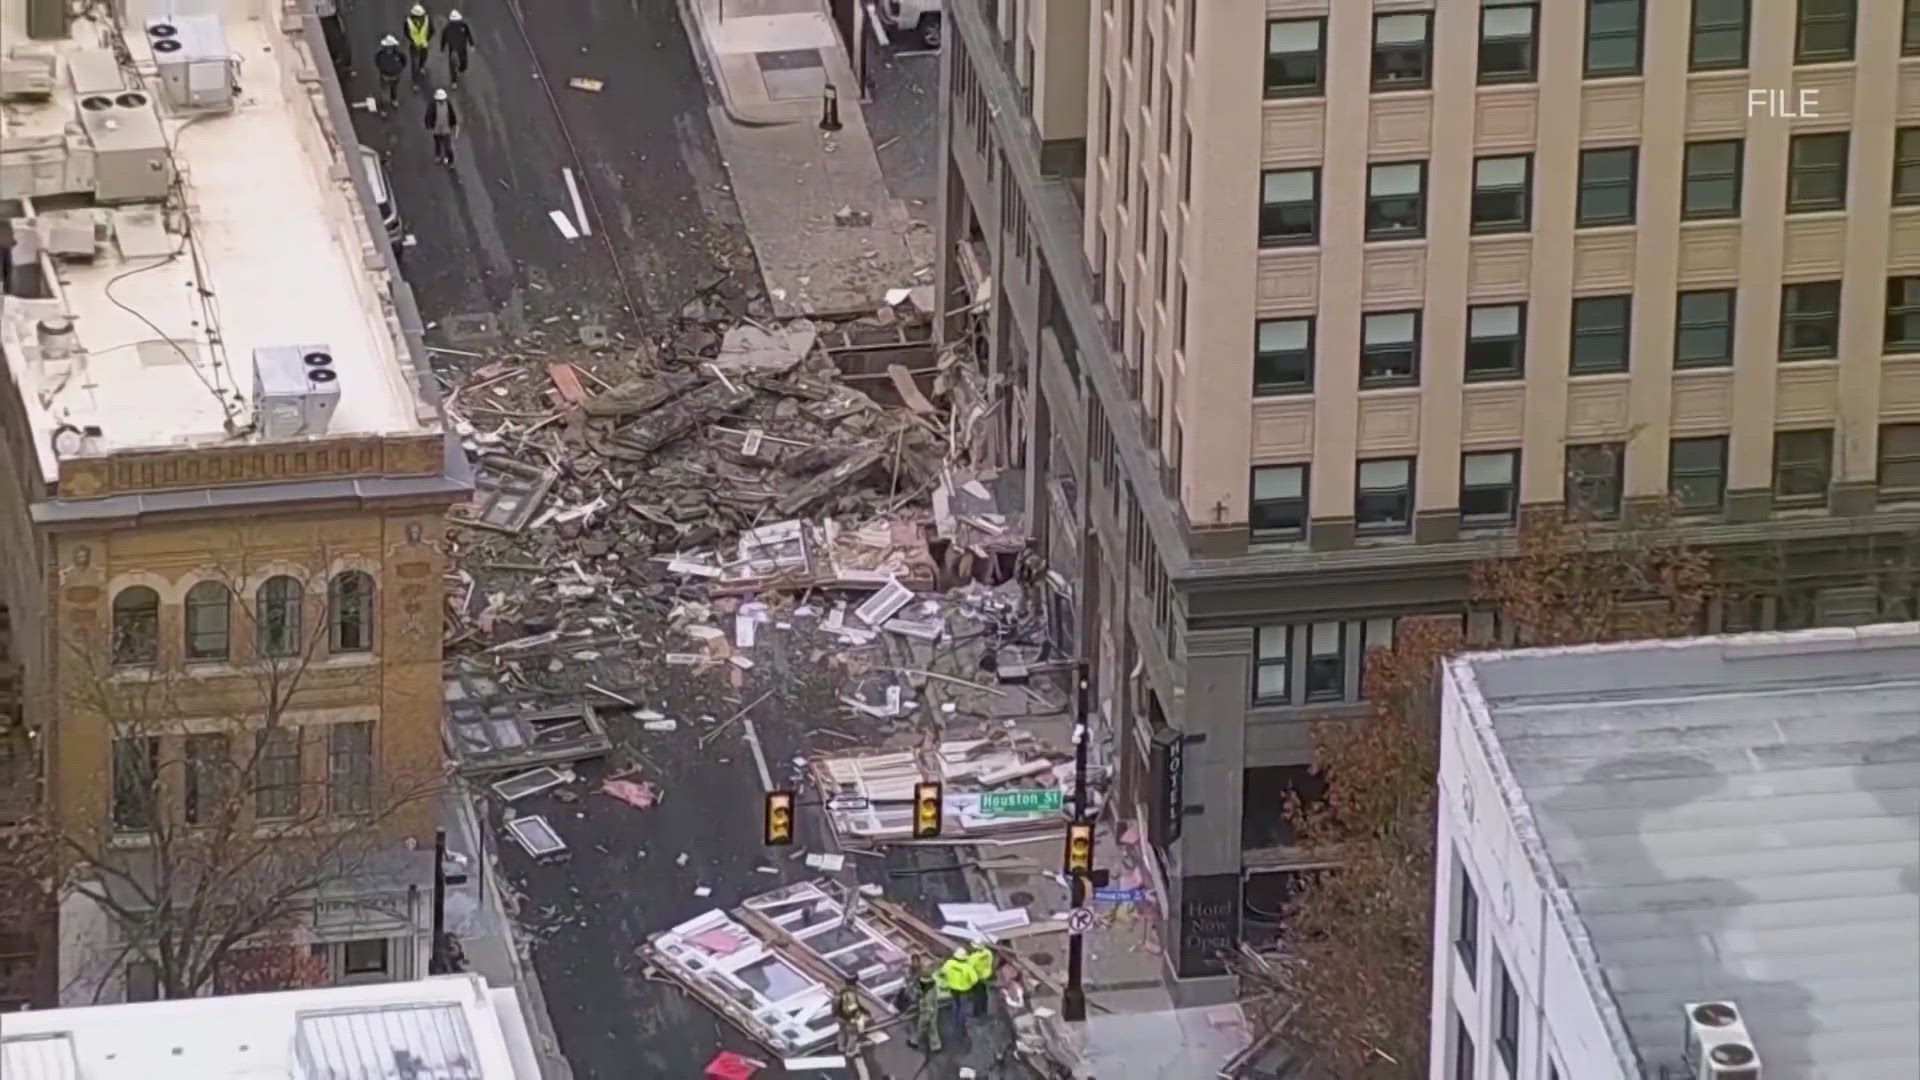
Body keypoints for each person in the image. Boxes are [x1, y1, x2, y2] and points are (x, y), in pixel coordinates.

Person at [896, 956, 942, 1053]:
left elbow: (928, 1007)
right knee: (931, 1026)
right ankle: (935, 1045)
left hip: (927, 1008)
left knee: (924, 1025)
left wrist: (926, 1015)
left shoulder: (927, 992)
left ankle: (915, 1041)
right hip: (928, 1006)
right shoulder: (928, 984)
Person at [937, 946, 976, 1038]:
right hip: (964, 990)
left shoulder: (950, 963)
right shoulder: (967, 967)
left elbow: (942, 972)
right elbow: (974, 980)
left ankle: (954, 1021)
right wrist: (967, 983)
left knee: (955, 1004)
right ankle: (960, 1023)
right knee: (962, 1006)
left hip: (953, 988)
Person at [832, 974, 869, 1057]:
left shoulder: (839, 989)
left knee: (842, 1030)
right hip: (848, 1017)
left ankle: (841, 1047)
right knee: (853, 1034)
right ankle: (850, 1051)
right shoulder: (851, 992)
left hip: (838, 1015)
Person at [441, 10, 474, 87]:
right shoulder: (448, 28)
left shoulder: (463, 25)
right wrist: (442, 49)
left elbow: (468, 34)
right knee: (452, 64)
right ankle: (454, 81)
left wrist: (471, 44)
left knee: (464, 63)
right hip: (453, 48)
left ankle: (460, 69)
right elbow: (444, 38)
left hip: (462, 47)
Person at [425, 87, 457, 166]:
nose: (441, 100)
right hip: (437, 129)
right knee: (438, 143)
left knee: (447, 146)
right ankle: (438, 155)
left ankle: (450, 160)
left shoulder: (448, 103)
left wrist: (454, 123)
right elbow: (428, 115)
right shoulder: (432, 105)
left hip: (446, 128)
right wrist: (428, 125)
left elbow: (452, 113)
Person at [373, 34, 406, 110]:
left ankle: (393, 100)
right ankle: (383, 105)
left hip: (395, 76)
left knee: (393, 89)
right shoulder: (380, 54)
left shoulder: (399, 54)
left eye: (391, 46)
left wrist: (399, 69)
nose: (389, 48)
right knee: (384, 90)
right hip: (384, 76)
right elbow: (377, 62)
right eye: (388, 46)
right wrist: (382, 70)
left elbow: (404, 62)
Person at [964, 940, 994, 1017]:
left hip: (978, 978)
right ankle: (984, 1010)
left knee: (977, 995)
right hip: (987, 975)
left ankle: (977, 1013)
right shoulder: (988, 952)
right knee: (984, 994)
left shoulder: (973, 957)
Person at [404, 4, 433, 78]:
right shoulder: (408, 21)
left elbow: (432, 31)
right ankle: (416, 76)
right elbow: (406, 33)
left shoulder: (427, 20)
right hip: (416, 44)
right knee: (416, 61)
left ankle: (420, 68)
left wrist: (426, 40)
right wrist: (413, 41)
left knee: (422, 58)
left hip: (421, 44)